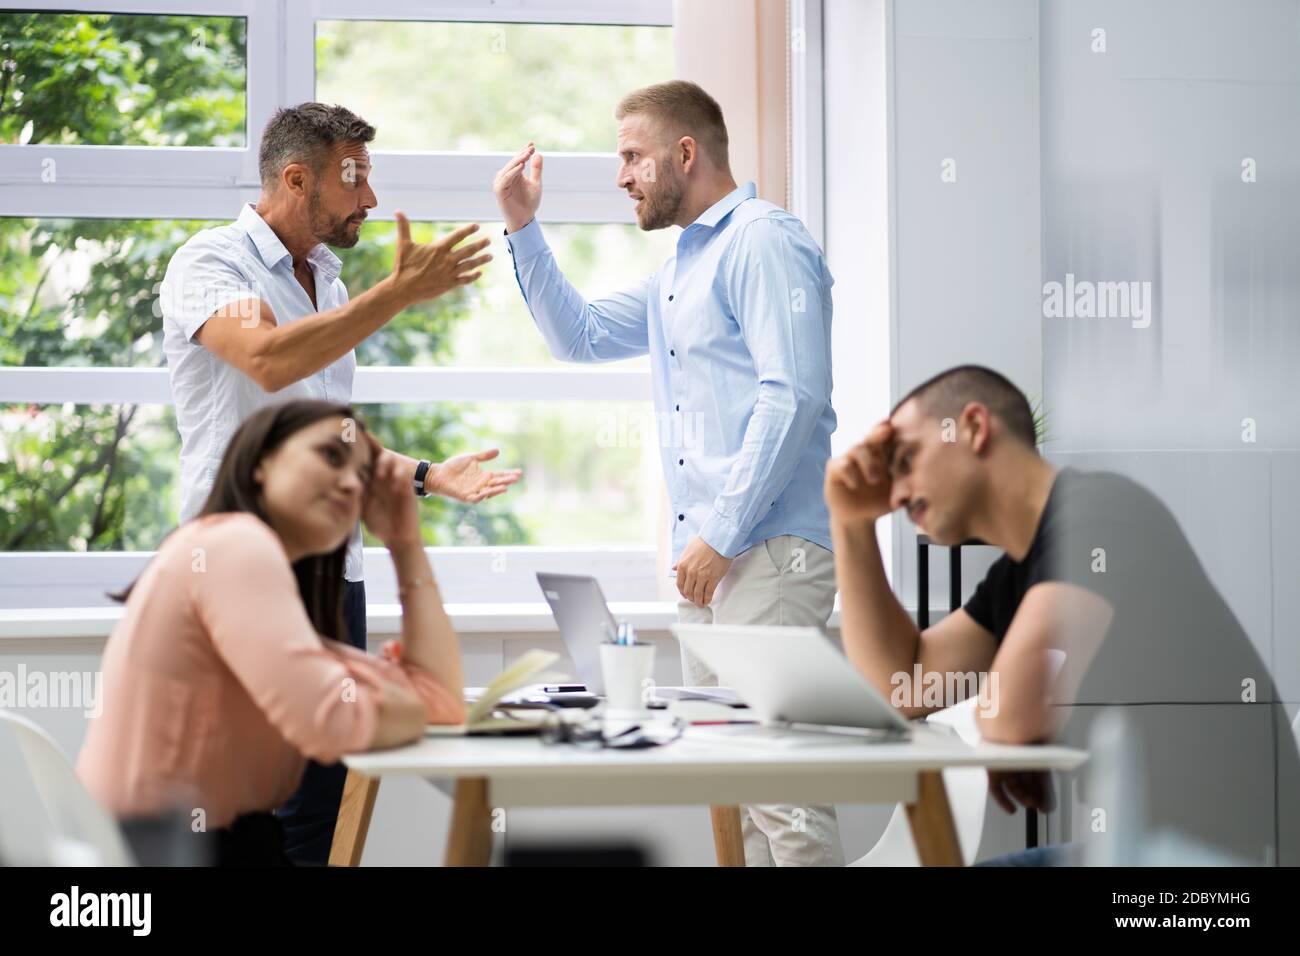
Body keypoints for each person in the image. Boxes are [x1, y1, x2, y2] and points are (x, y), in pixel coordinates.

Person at [160, 102, 519, 864]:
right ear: (297, 179)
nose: (370, 200)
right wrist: (394, 295)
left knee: (321, 804)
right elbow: (266, 360)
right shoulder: (210, 264)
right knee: (250, 811)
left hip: (333, 578)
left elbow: (328, 426)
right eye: (353, 178)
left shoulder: (322, 277)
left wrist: (422, 474)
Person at [492, 80, 841, 866]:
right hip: (715, 569)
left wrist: (717, 534)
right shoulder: (680, 272)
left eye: (632, 157)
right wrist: (523, 224)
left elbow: (794, 397)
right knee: (739, 801)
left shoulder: (762, 241)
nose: (622, 177)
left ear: (686, 153)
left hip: (767, 557)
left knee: (783, 799)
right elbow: (576, 337)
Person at [826, 364, 1298, 864]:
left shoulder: (1101, 515)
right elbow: (905, 684)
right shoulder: (1019, 571)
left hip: (1221, 858)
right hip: (1136, 843)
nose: (896, 495)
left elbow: (1011, 715)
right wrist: (850, 519)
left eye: (906, 459)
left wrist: (1019, 724)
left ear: (974, 427)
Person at [78, 400, 466, 865]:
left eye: (363, 476)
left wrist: (405, 541)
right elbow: (336, 722)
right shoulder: (236, 546)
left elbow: (441, 704)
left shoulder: (259, 573)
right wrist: (395, 700)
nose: (350, 482)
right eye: (330, 455)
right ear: (261, 461)